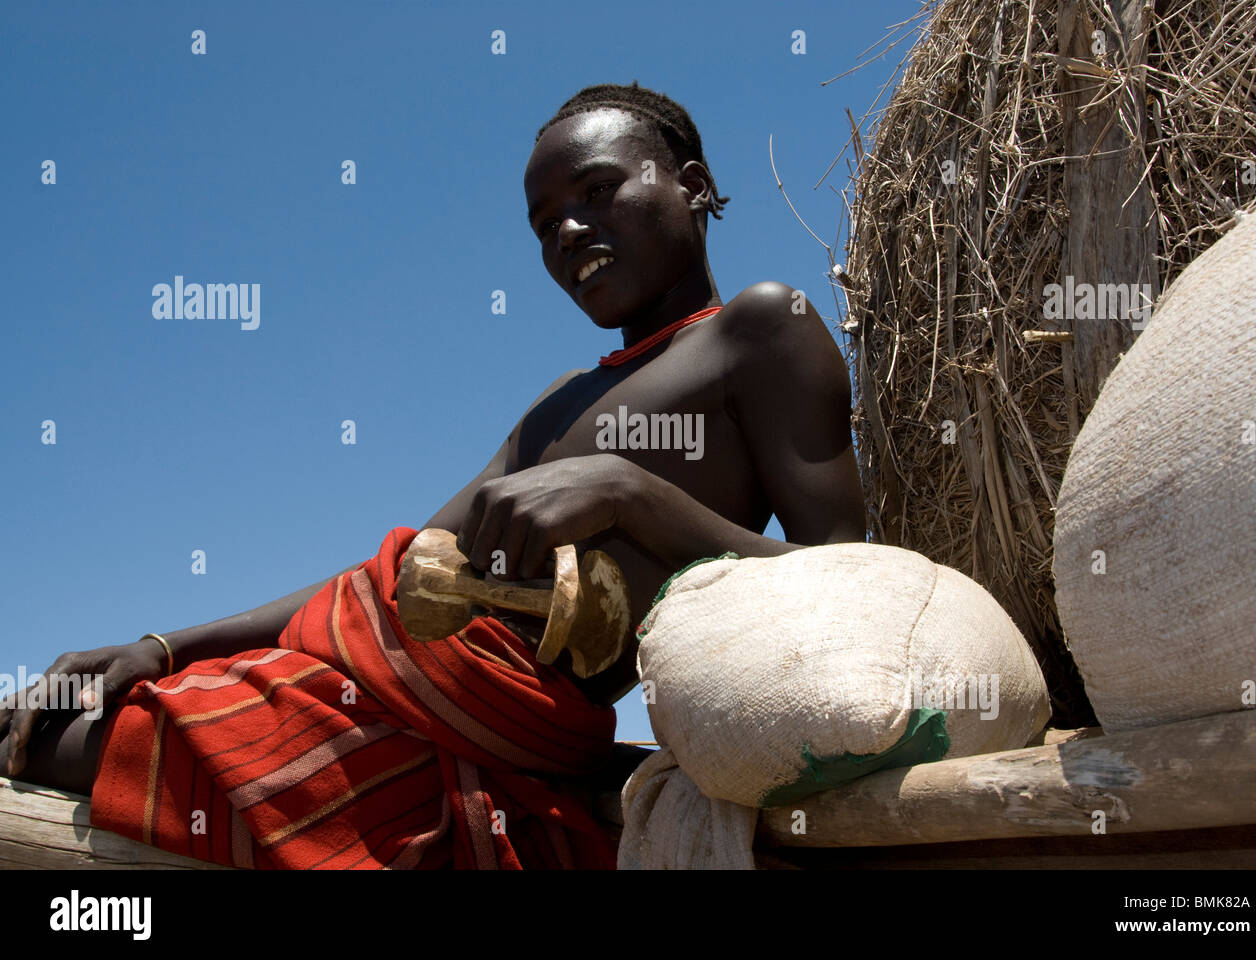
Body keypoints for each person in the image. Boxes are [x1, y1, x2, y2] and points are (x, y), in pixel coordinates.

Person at [0, 81, 866, 868]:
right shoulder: (563, 402)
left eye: (598, 192)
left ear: (693, 184)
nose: (567, 231)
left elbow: (851, 579)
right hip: (376, 681)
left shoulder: (760, 329)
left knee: (74, 748)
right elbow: (400, 568)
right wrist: (160, 645)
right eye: (543, 222)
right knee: (55, 721)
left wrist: (632, 496)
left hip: (475, 728)